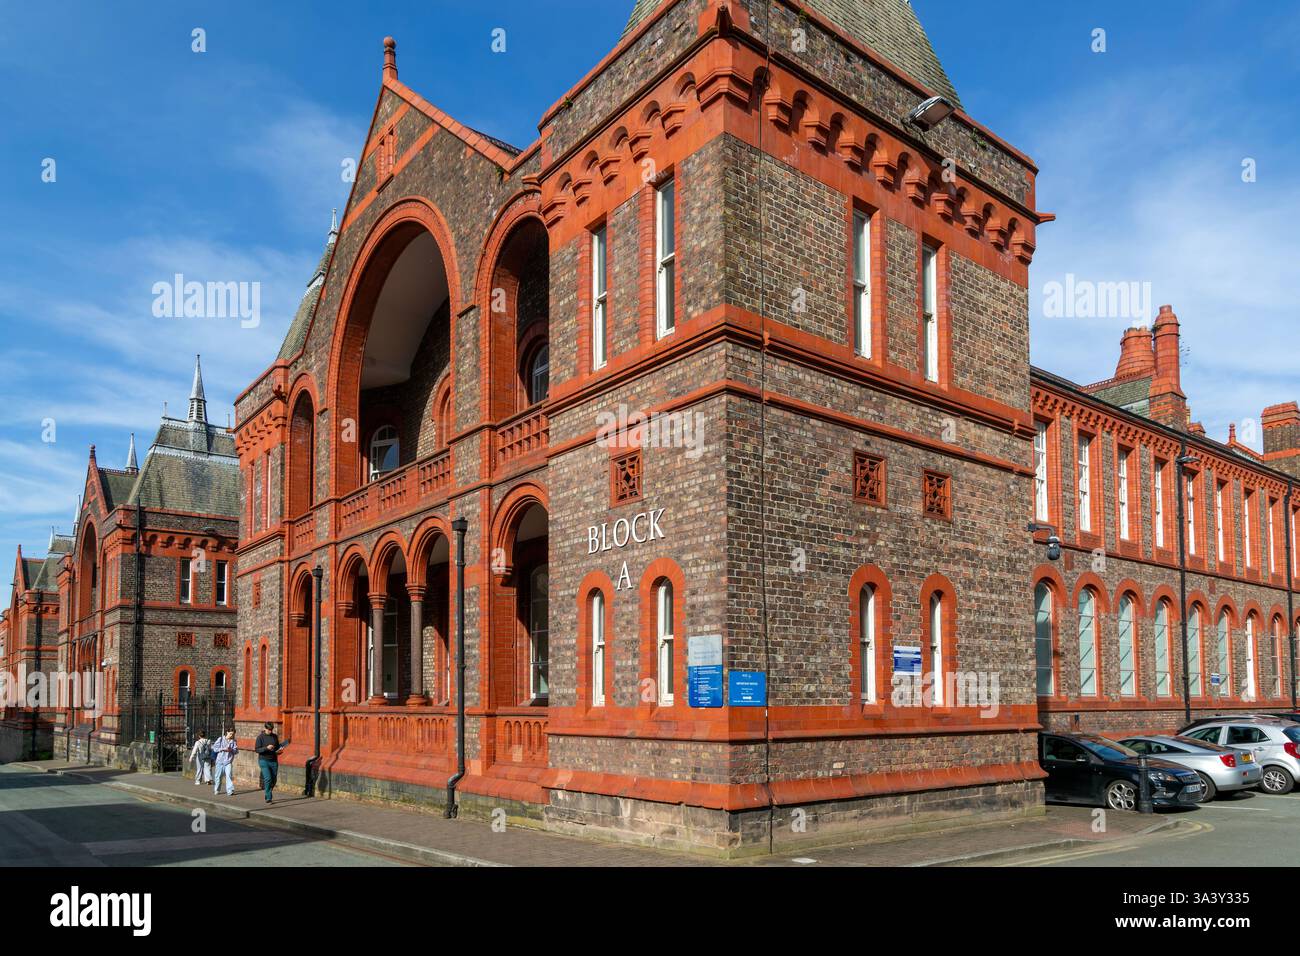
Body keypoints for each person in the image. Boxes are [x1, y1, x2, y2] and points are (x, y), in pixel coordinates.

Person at [253, 721, 284, 804]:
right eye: (269, 729)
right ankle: (268, 797)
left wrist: (279, 751)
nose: (270, 731)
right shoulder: (260, 737)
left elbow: (277, 748)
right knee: (268, 778)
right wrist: (266, 748)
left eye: (271, 729)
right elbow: (257, 749)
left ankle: (267, 791)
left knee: (274, 780)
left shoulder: (274, 737)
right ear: (265, 728)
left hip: (273, 760)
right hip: (263, 761)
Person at [212, 729, 238, 796]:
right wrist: (223, 749)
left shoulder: (233, 741)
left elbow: (236, 751)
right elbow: (214, 749)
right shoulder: (220, 739)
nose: (231, 735)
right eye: (230, 734)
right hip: (220, 761)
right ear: (227, 732)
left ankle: (230, 791)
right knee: (218, 777)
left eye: (233, 734)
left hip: (228, 761)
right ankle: (217, 789)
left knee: (229, 775)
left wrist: (231, 750)